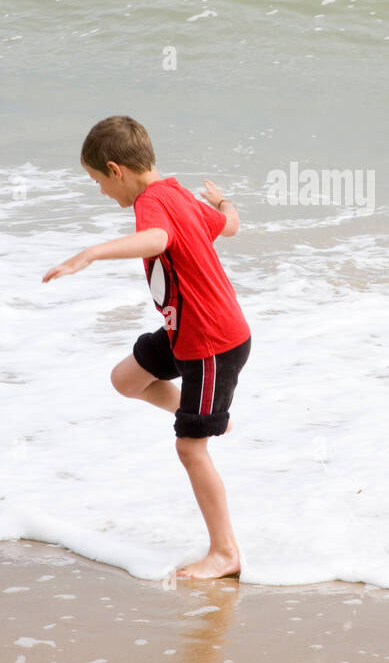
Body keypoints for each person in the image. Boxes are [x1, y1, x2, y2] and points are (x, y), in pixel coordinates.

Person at [42, 115, 251, 580]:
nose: (101, 192)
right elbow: (230, 224)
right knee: (127, 380)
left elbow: (157, 239)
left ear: (116, 170)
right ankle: (213, 415)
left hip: (212, 343)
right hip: (186, 332)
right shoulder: (181, 196)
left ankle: (225, 553)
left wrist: (90, 254)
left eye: (98, 181)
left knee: (190, 448)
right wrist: (224, 201)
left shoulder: (153, 202)